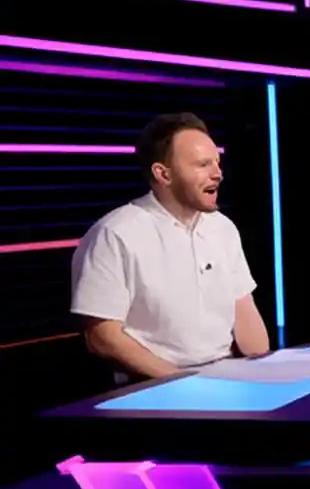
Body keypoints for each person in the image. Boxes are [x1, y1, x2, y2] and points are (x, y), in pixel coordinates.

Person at [70, 112, 269, 381]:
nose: (217, 174)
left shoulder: (223, 229)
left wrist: (265, 371)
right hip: (152, 383)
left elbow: (244, 311)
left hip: (224, 375)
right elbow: (102, 337)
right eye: (203, 165)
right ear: (163, 174)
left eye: (217, 162)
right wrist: (182, 381)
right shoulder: (114, 234)